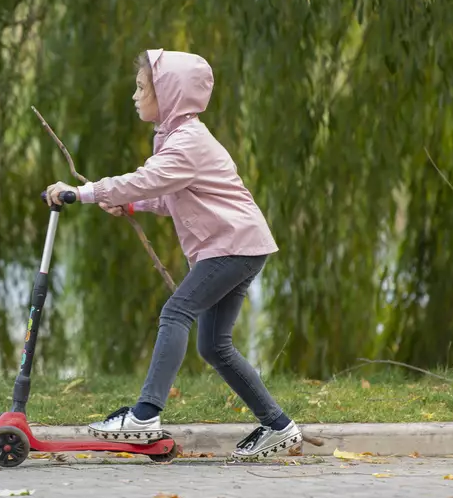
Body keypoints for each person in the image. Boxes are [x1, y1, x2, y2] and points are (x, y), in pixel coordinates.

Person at [45, 49, 300, 460]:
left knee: (175, 312)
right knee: (214, 346)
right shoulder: (177, 139)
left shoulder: (187, 143)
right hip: (239, 245)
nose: (134, 94)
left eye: (142, 87)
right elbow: (171, 198)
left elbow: (146, 180)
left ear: (168, 93)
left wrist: (86, 193)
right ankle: (278, 426)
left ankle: (145, 416)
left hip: (232, 245)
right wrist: (130, 205)